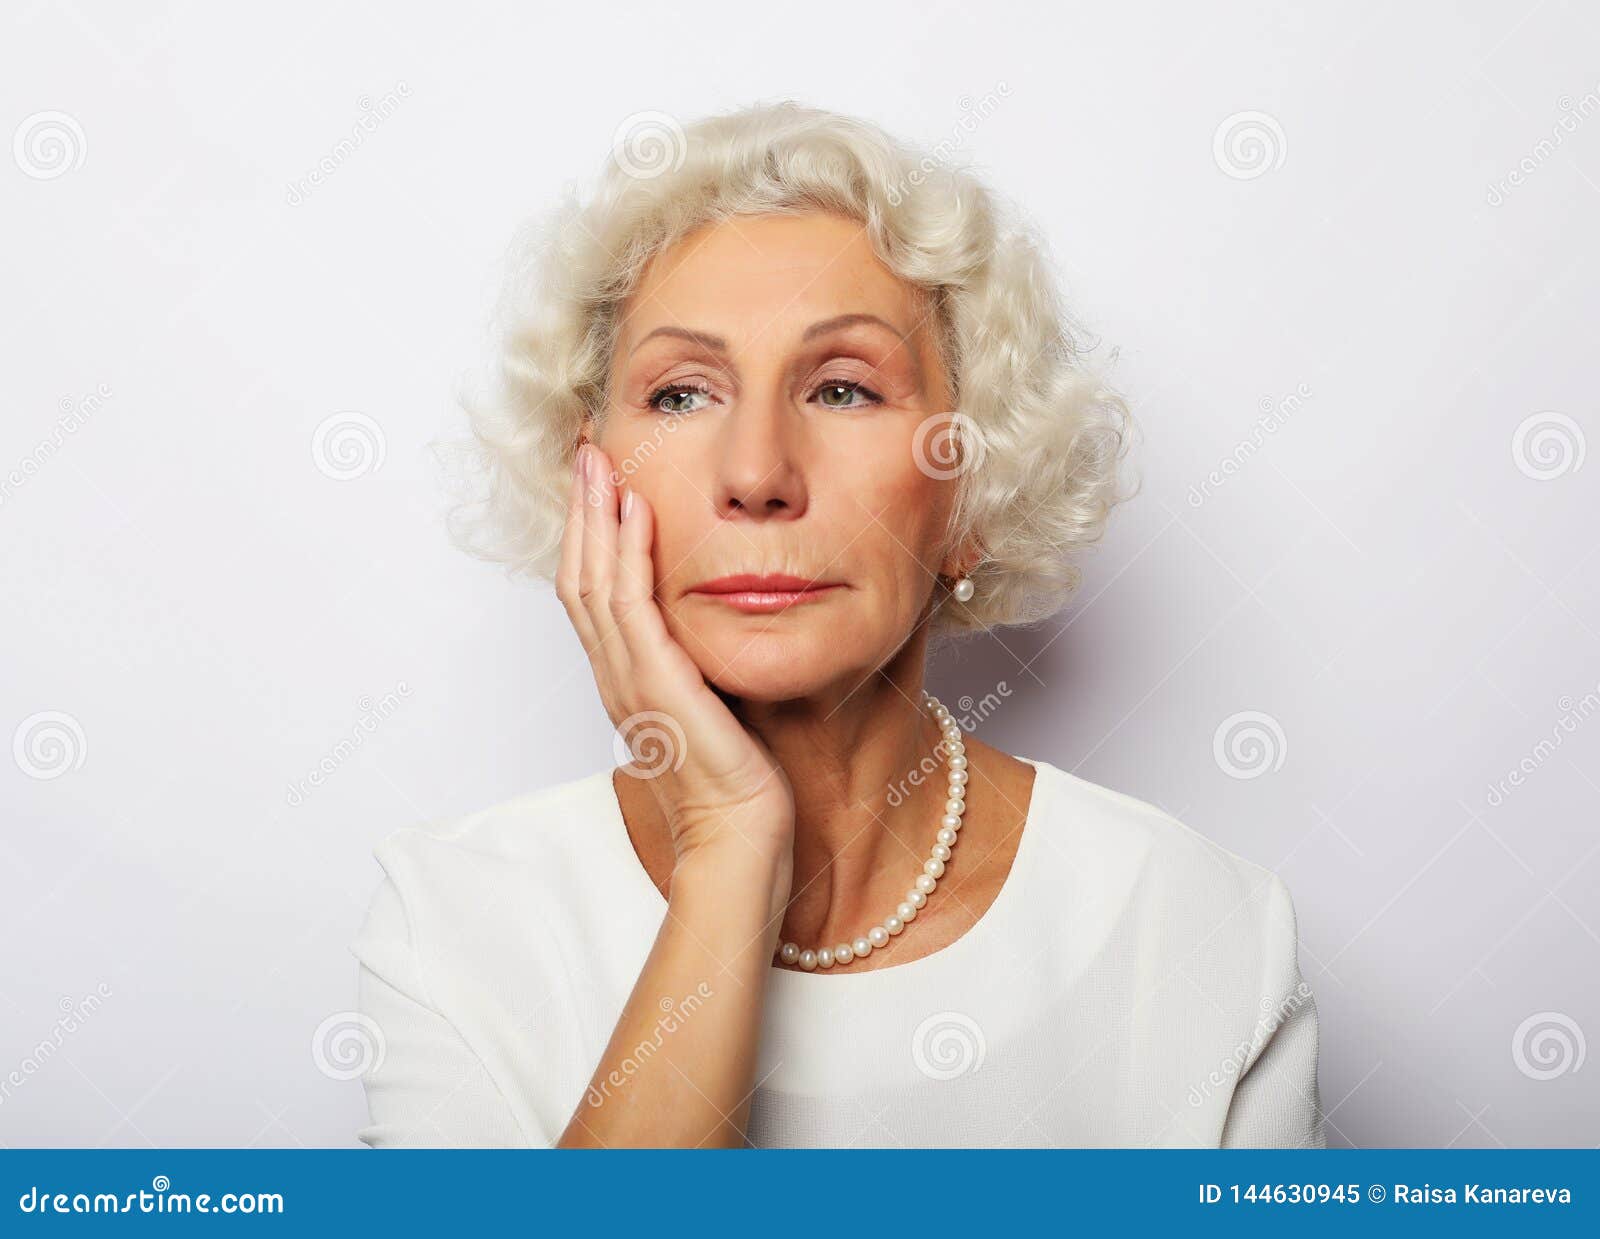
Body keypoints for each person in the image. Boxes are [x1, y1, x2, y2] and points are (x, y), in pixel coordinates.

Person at [349, 101, 1325, 1149]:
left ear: (969, 489)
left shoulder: (1198, 930)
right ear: (590, 481)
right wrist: (729, 845)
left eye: (844, 390)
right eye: (681, 396)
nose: (758, 474)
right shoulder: (452, 924)